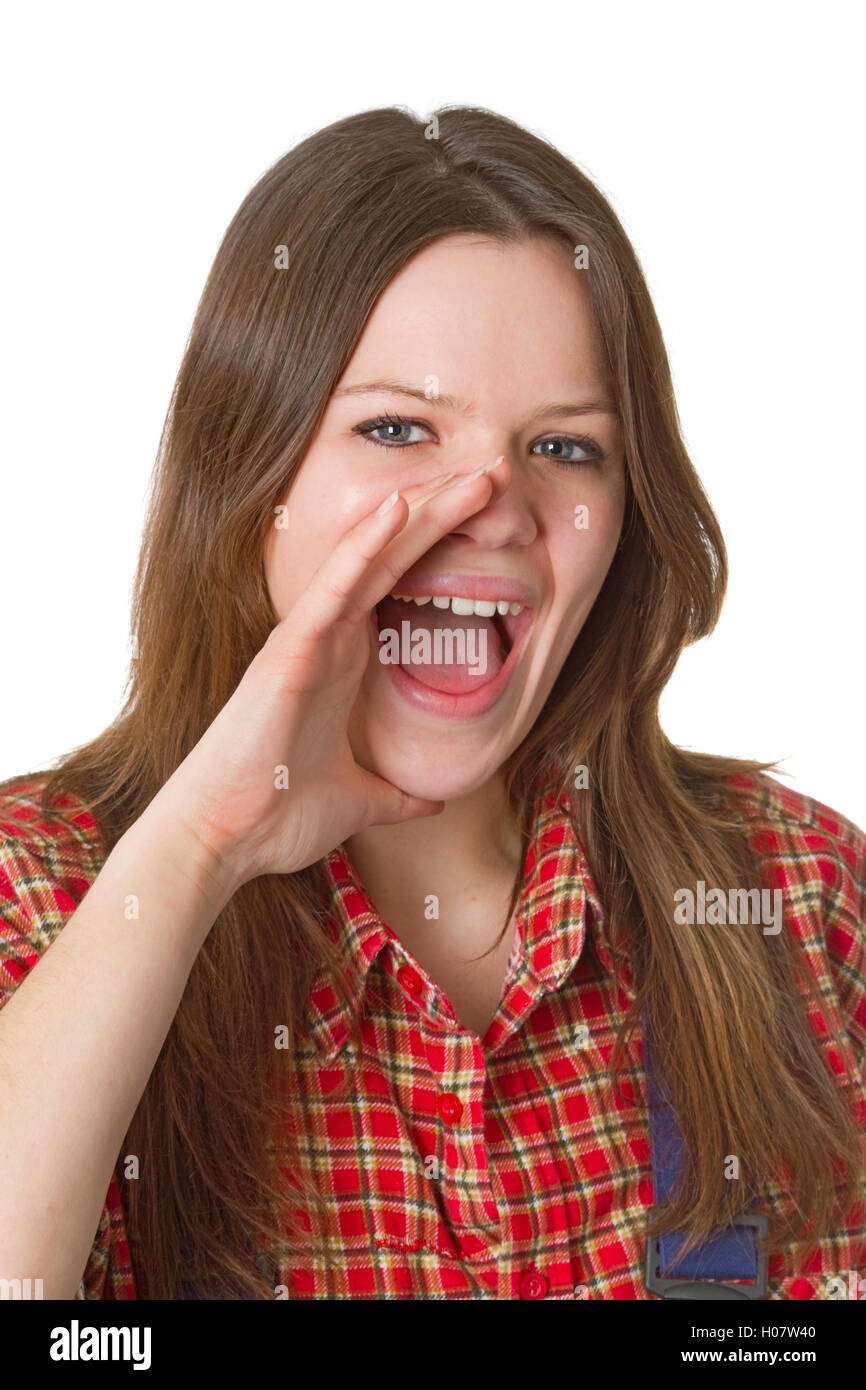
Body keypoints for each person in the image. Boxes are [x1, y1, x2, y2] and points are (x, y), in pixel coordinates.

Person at [0, 105, 863, 1301]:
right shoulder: (36, 894)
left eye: (564, 448)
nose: (487, 503)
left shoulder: (797, 895)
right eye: (398, 428)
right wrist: (199, 846)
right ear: (253, 482)